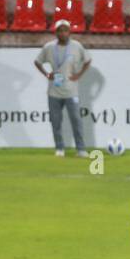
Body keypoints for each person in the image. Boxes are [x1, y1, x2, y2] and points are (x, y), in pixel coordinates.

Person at [34, 20, 92, 157]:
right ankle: (59, 148)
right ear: (56, 32)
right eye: (60, 30)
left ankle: (81, 149)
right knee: (56, 121)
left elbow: (87, 60)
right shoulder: (49, 47)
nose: (62, 33)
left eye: (65, 30)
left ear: (69, 32)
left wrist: (78, 75)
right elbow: (37, 62)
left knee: (76, 120)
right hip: (54, 92)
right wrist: (47, 74)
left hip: (71, 92)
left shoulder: (76, 47)